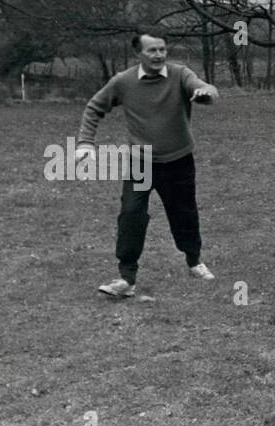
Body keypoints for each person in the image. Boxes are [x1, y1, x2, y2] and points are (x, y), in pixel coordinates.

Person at [77, 24, 218, 299]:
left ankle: (194, 261)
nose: (159, 55)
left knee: (184, 214)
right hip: (140, 163)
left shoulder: (180, 75)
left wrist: (205, 93)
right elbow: (94, 107)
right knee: (131, 214)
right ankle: (126, 278)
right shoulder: (123, 82)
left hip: (179, 160)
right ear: (138, 53)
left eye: (162, 49)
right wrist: (84, 143)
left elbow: (204, 88)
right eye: (152, 50)